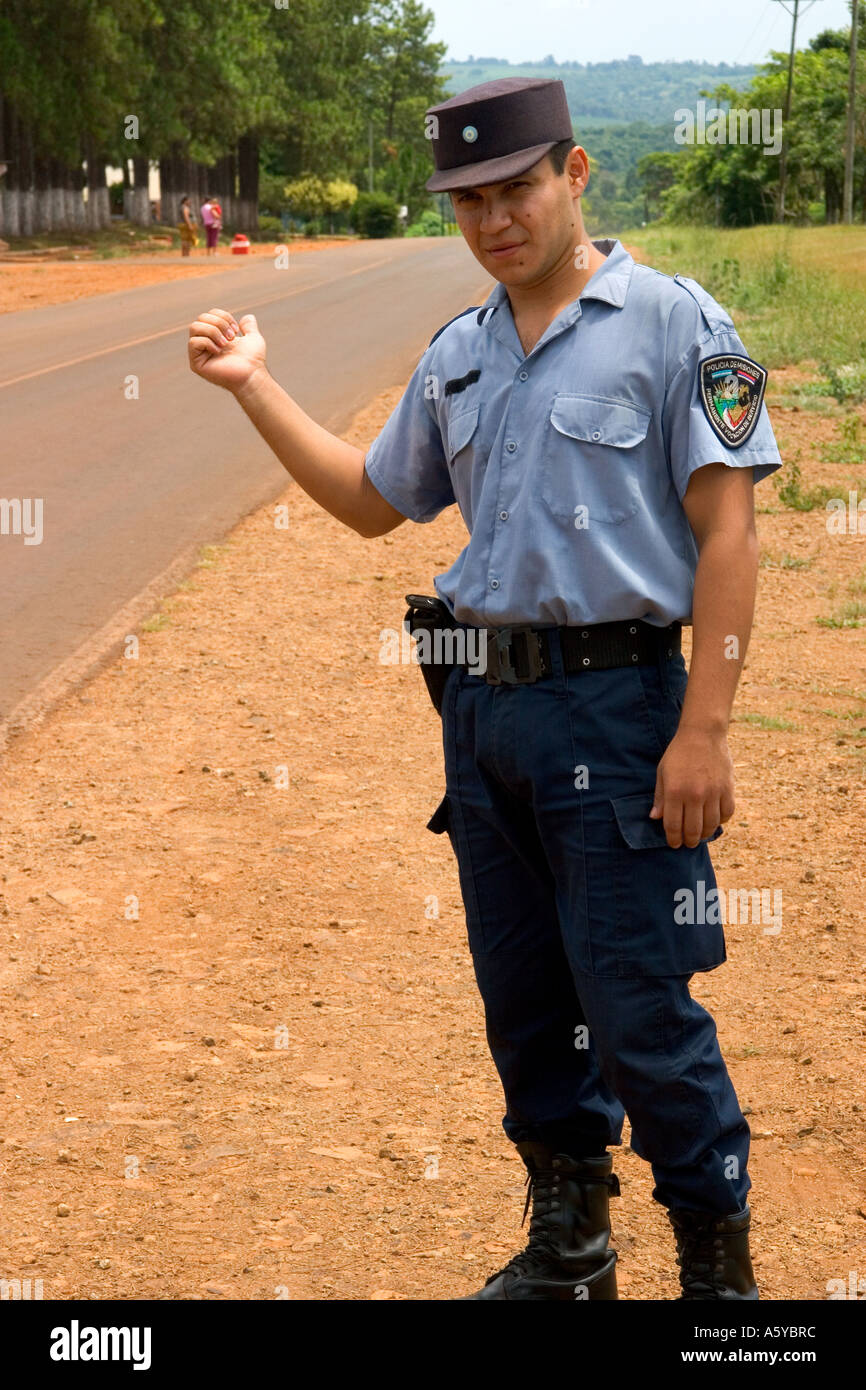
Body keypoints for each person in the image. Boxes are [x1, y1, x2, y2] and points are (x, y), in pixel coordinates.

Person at [187, 75, 783, 1302]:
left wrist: (703, 730)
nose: (494, 218)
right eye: (468, 199)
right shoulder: (459, 353)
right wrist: (254, 382)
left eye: (515, 187)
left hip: (620, 716)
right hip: (483, 713)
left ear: (574, 174)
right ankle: (570, 1250)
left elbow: (726, 535)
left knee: (639, 1010)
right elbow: (369, 500)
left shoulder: (677, 325)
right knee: (525, 1003)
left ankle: (718, 1286)